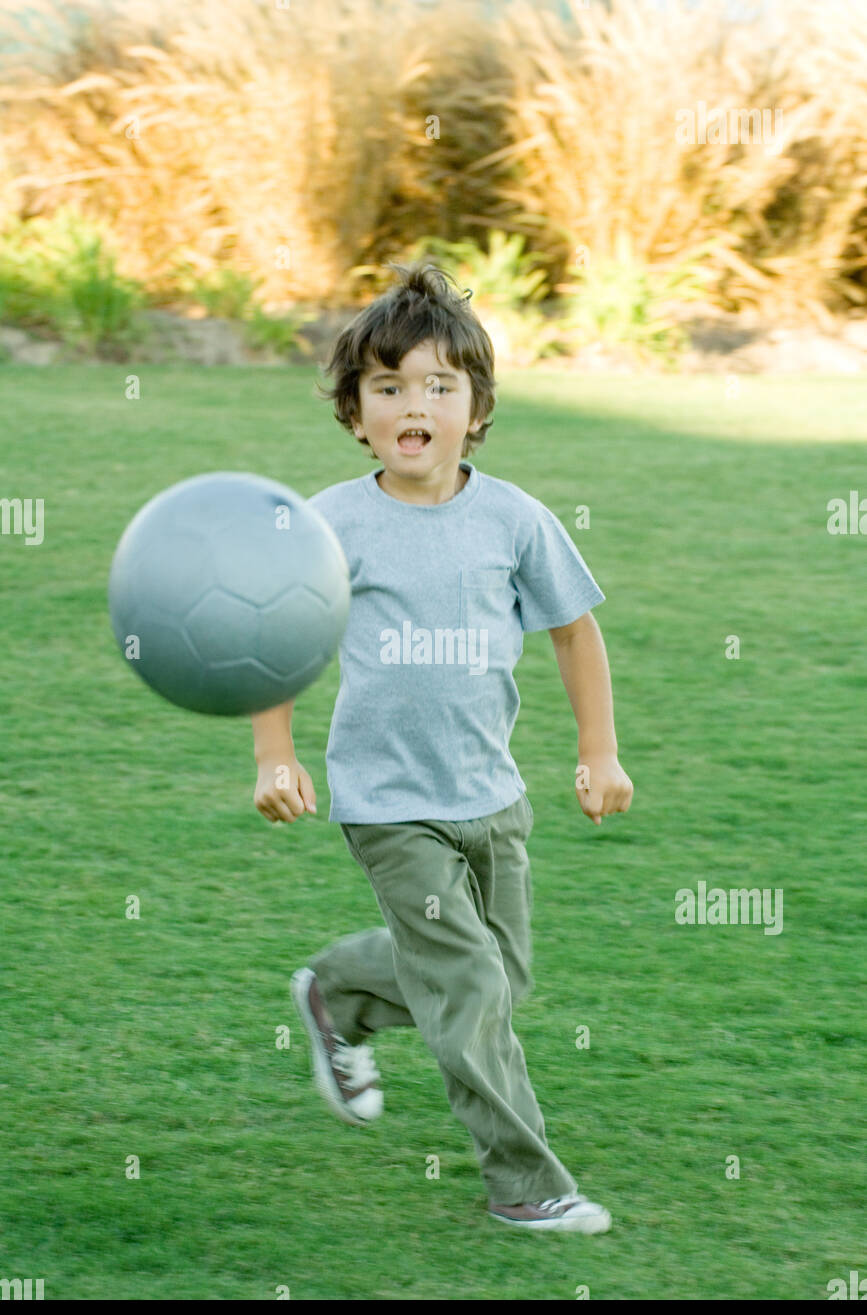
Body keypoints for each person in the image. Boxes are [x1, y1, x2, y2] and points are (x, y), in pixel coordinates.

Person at [251, 261, 633, 1233]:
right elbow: (279, 638)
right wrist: (275, 754)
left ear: (476, 406)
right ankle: (526, 1181)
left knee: (498, 979)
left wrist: (599, 752)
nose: (413, 403)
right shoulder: (333, 523)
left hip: (490, 794)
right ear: (355, 412)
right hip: (388, 801)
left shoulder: (514, 519)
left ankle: (338, 989)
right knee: (467, 990)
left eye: (438, 385)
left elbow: (574, 629)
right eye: (388, 387)